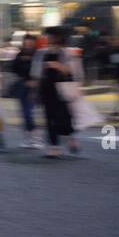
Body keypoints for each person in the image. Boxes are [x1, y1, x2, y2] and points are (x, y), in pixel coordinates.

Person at [32, 27, 81, 159]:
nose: (49, 39)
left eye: (51, 36)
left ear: (59, 38)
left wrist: (57, 65)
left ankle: (71, 137)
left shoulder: (67, 53)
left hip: (62, 89)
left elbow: (73, 72)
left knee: (64, 117)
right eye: (48, 36)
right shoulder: (41, 53)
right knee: (49, 118)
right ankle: (54, 147)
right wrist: (35, 88)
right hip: (46, 89)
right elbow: (36, 73)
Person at [12, 35, 40, 149]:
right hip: (22, 85)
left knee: (29, 112)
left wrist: (35, 81)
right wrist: (21, 61)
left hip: (34, 86)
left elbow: (41, 70)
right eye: (26, 43)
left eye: (30, 43)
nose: (28, 45)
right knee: (24, 112)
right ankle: (28, 138)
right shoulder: (20, 55)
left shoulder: (38, 55)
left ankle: (36, 138)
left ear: (34, 43)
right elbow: (14, 68)